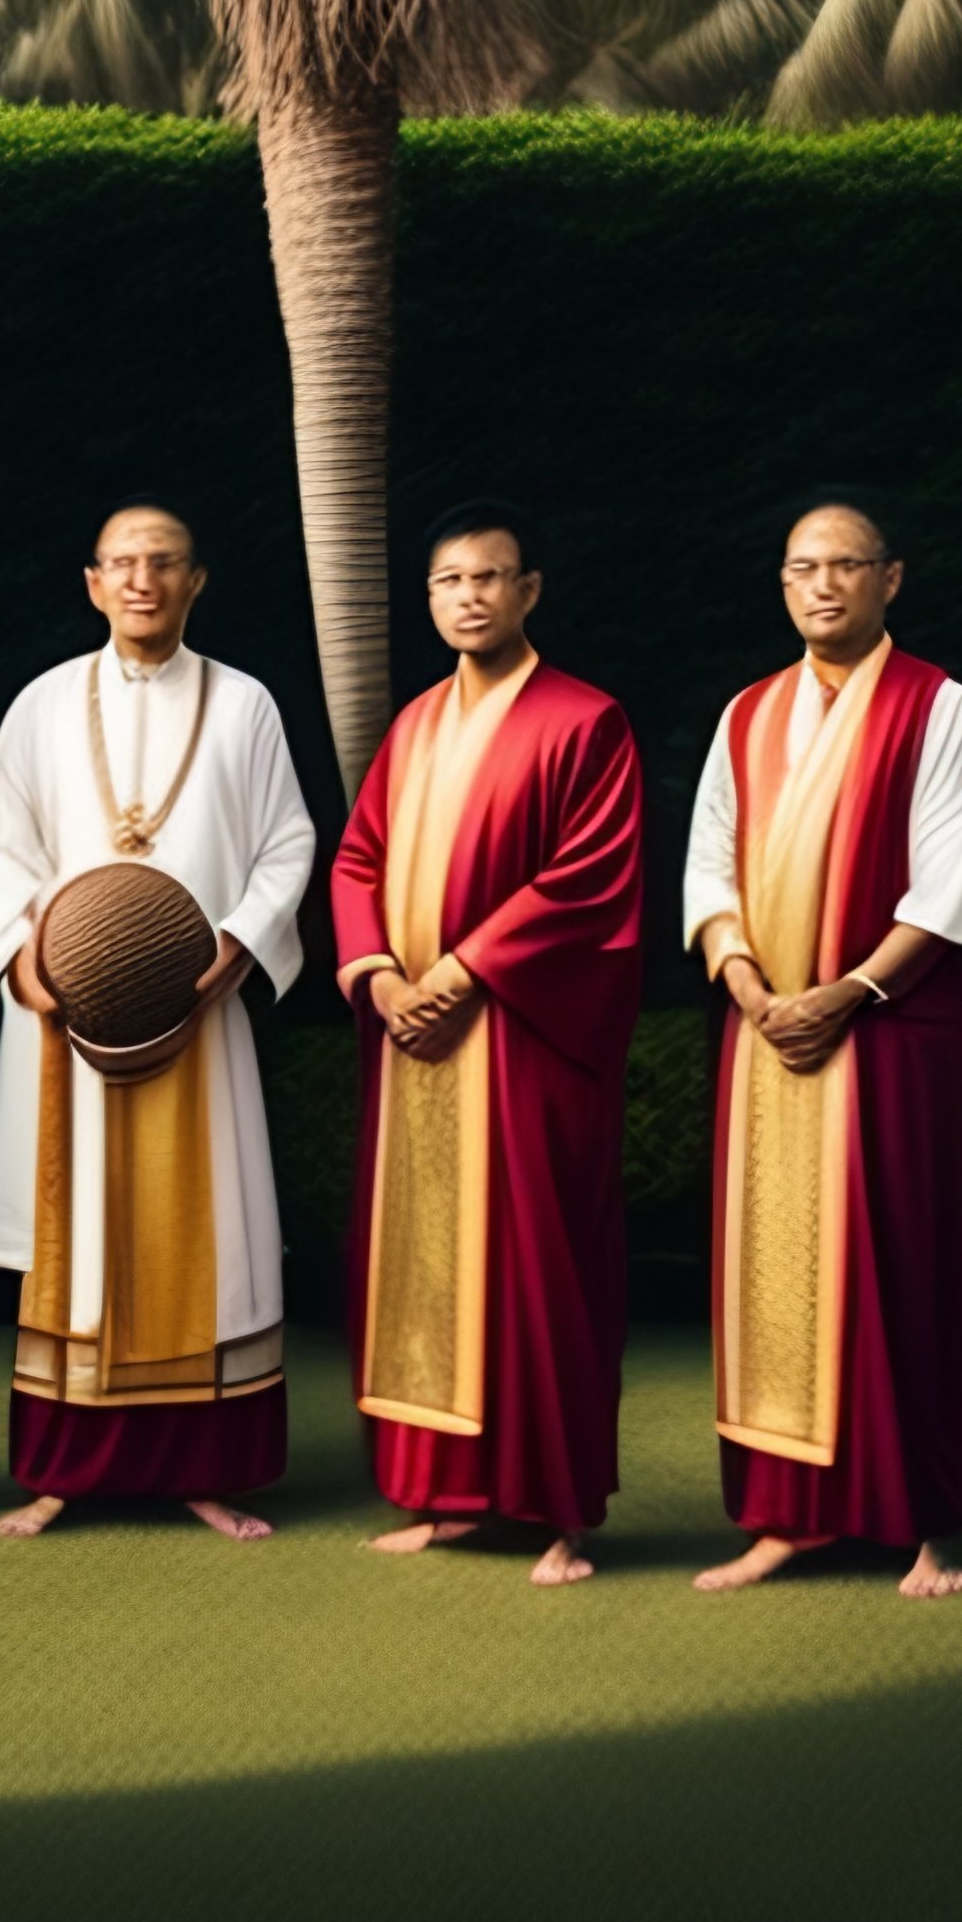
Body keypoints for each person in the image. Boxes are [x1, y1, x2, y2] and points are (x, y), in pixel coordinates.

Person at [686, 501, 962, 1600]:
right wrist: (746, 987)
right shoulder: (743, 715)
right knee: (769, 1272)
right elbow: (708, 873)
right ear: (780, 585)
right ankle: (789, 1515)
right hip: (764, 1037)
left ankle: (925, 1525)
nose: (821, 584)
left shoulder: (939, 707)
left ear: (890, 579)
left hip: (886, 1034)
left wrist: (846, 992)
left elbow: (954, 879)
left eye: (844, 565)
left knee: (900, 1260)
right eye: (800, 567)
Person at [0, 506, 315, 1541]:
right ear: (90, 582)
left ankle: (198, 1468)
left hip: (196, 1016)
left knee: (194, 1234)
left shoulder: (244, 704)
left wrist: (231, 951)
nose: (141, 580)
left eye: (162, 563)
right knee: (77, 1239)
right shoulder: (39, 705)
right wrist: (26, 961)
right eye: (121, 563)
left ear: (194, 581)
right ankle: (62, 1470)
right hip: (66, 1025)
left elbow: (286, 846)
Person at [332, 501, 643, 1581]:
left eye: (487, 578)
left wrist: (460, 972)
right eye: (447, 581)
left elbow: (588, 882)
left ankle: (559, 1511)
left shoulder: (582, 721)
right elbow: (356, 858)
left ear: (528, 591)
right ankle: (443, 1493)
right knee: (417, 1265)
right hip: (411, 1041)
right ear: (427, 600)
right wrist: (376, 974)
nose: (467, 596)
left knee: (537, 1264)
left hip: (519, 1041)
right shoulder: (411, 726)